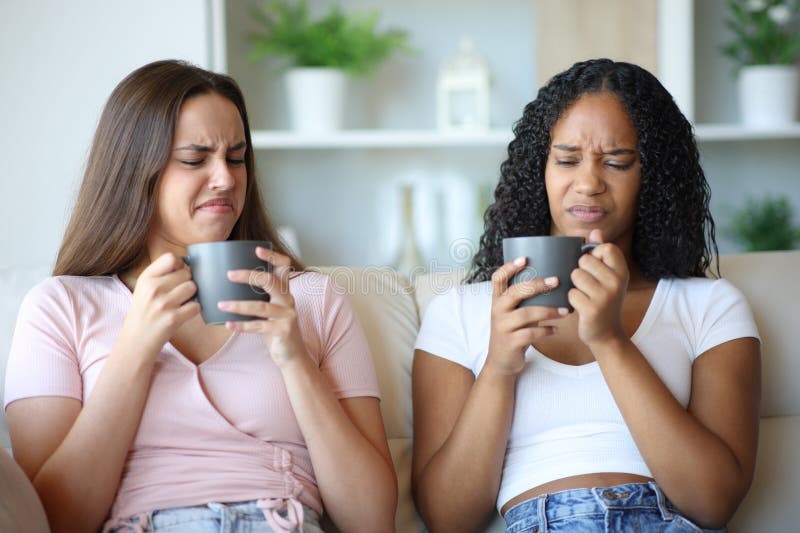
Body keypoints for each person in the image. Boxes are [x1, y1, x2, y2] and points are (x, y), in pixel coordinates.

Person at [4, 60, 397, 533]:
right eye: (195, 159)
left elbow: (373, 521)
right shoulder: (60, 306)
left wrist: (295, 360)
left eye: (236, 158)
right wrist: (134, 350)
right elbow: (53, 522)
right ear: (136, 172)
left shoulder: (312, 300)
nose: (226, 179)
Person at [412, 59, 760, 532]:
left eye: (617, 162)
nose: (589, 182)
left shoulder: (712, 306)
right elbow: (447, 519)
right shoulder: (460, 312)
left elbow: (714, 502)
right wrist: (498, 367)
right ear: (541, 168)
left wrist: (610, 341)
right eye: (567, 159)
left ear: (652, 178)